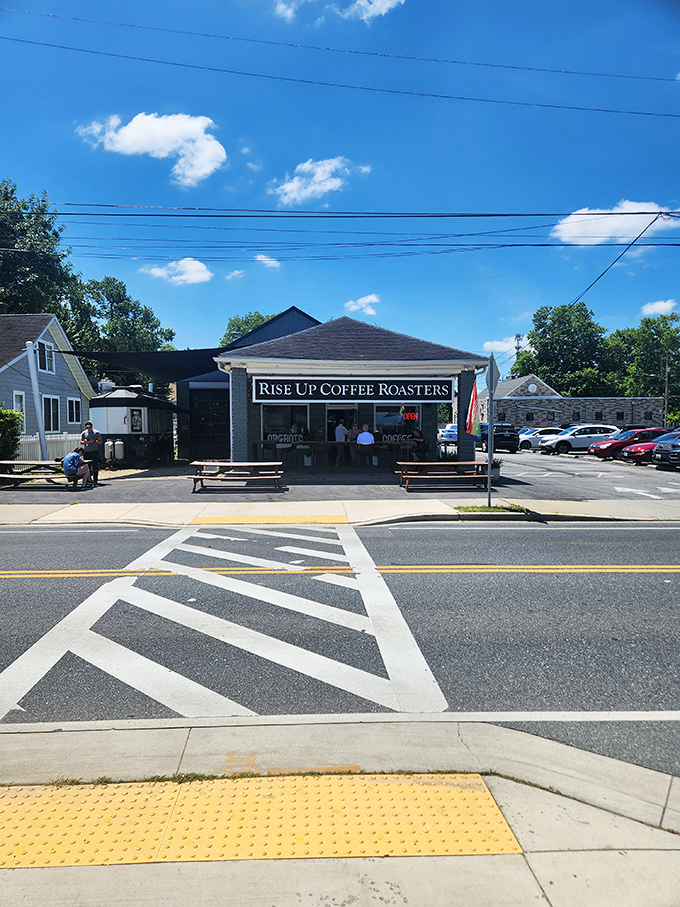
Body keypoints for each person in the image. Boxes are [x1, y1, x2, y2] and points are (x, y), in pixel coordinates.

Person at [80, 420, 102, 485]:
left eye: (89, 427)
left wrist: (94, 441)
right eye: (87, 427)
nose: (88, 429)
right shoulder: (84, 433)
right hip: (86, 451)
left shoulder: (96, 433)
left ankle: (95, 479)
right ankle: (89, 479)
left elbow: (100, 441)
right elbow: (81, 441)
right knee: (87, 466)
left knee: (95, 465)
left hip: (94, 451)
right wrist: (84, 441)